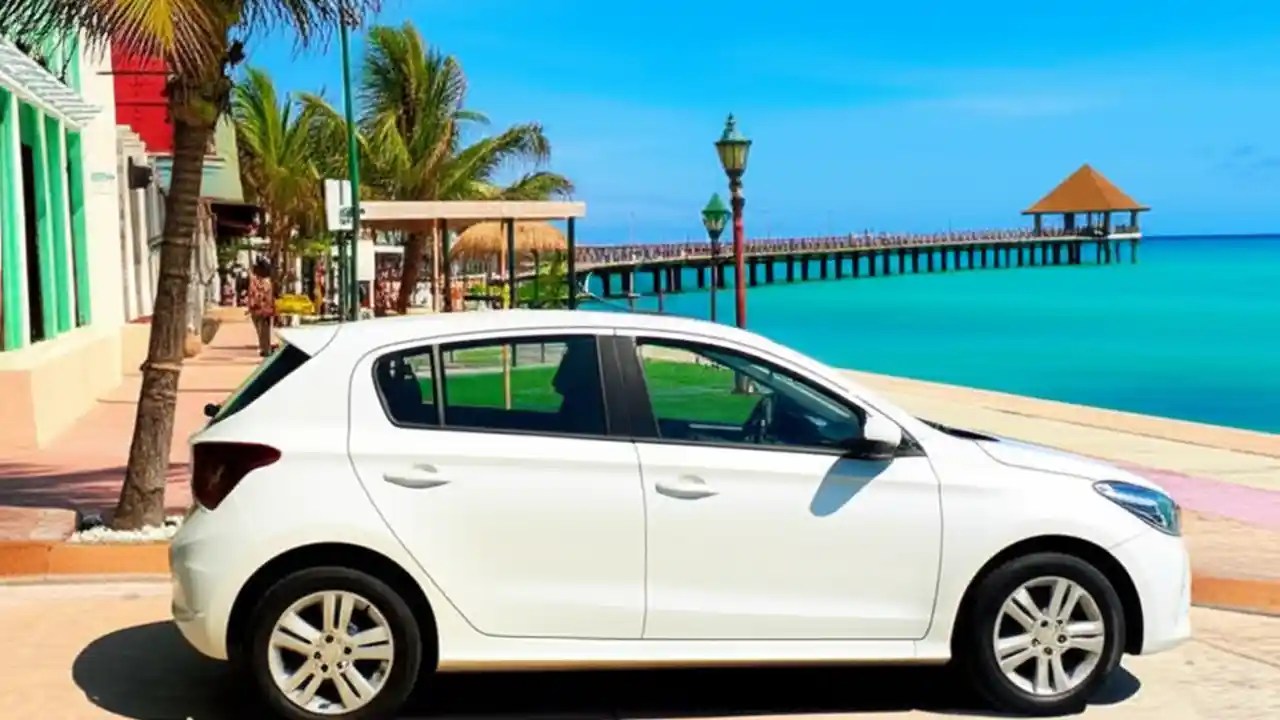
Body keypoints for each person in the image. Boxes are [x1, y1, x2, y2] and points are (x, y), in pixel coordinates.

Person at [247, 259, 275, 357]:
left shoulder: (253, 281)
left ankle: (264, 348)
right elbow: (269, 297)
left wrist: (250, 306)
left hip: (256, 309)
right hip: (265, 309)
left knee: (260, 330)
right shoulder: (268, 282)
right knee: (265, 330)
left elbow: (252, 294)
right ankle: (266, 349)